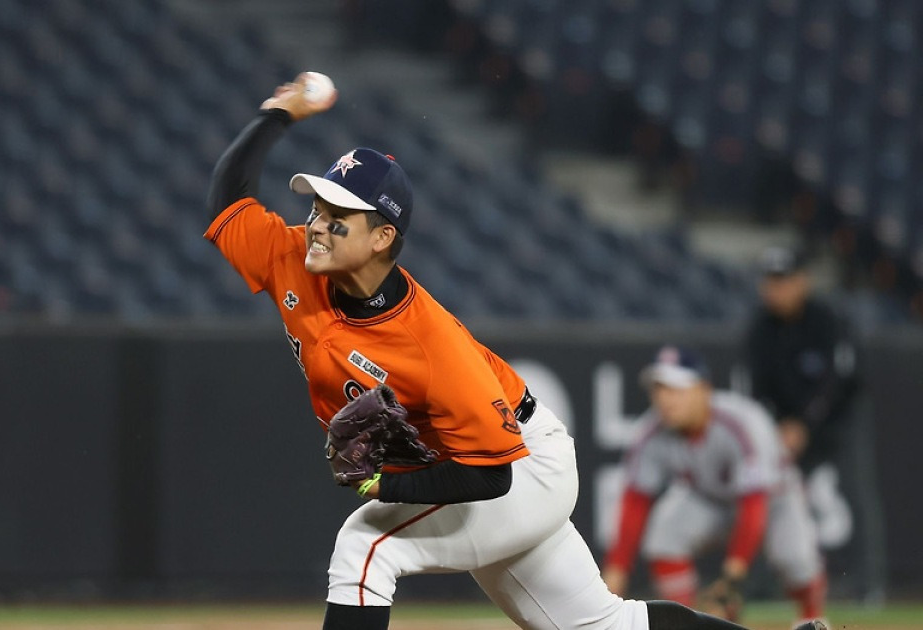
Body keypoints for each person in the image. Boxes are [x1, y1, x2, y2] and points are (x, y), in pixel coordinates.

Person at [204, 72, 829, 630]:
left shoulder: (430, 343)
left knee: (366, 547)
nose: (316, 222)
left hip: (521, 466)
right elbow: (229, 200)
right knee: (602, 627)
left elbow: (488, 474)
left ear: (382, 237)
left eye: (339, 214)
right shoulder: (293, 258)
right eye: (316, 205)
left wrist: (386, 480)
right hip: (485, 463)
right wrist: (275, 115)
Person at [601, 345, 828, 628]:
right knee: (664, 535)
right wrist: (617, 571)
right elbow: (635, 503)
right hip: (710, 499)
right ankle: (687, 622)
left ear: (704, 389)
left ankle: (812, 618)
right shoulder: (650, 432)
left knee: (797, 562)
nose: (665, 400)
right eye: (658, 390)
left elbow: (753, 505)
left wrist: (731, 578)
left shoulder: (741, 422)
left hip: (773, 500)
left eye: (676, 389)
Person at [744, 246, 859, 477]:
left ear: (803, 281)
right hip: (778, 435)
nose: (776, 290)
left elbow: (838, 380)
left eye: (783, 281)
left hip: (831, 432)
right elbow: (751, 387)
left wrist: (805, 425)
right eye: (770, 281)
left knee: (843, 502)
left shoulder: (827, 320)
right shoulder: (759, 328)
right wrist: (777, 426)